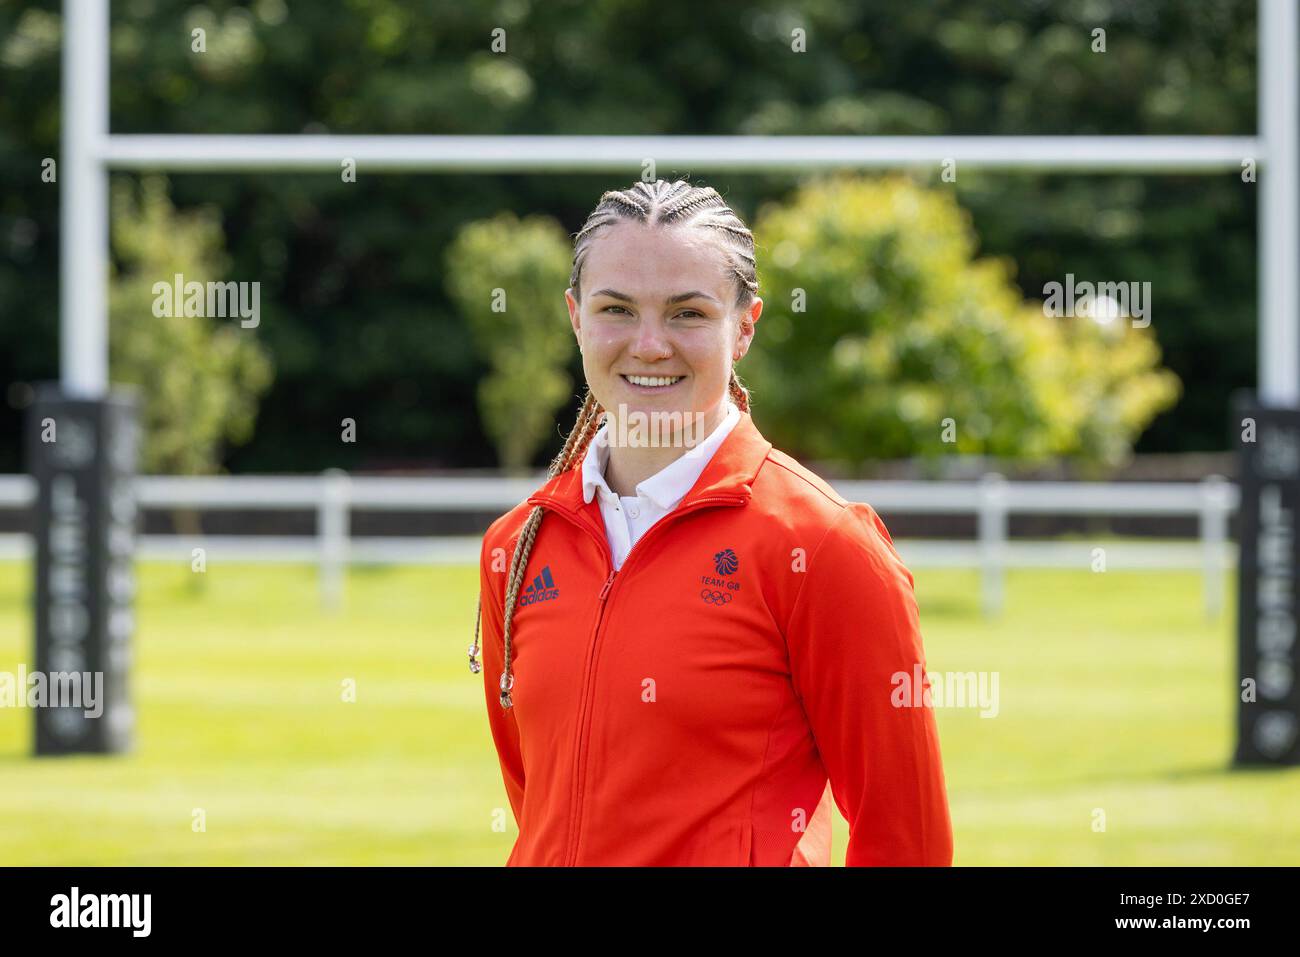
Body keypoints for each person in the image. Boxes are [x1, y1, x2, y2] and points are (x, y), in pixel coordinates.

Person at [469, 178, 953, 866]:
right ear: (576, 317)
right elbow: (539, 803)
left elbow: (907, 841)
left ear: (745, 326)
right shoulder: (516, 548)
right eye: (617, 309)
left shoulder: (823, 546)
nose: (649, 344)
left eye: (687, 314)